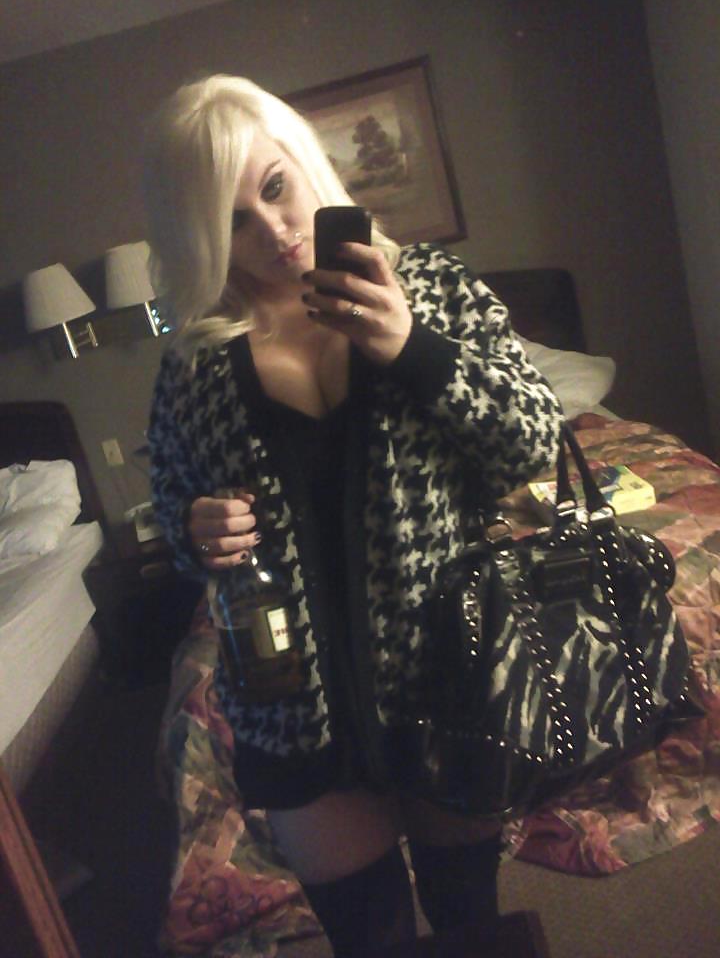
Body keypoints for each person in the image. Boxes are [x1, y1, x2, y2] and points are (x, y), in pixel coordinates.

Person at [145, 73, 563, 957]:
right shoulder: (194, 367)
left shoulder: (432, 288)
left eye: (276, 188)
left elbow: (533, 443)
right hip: (291, 705)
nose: (275, 231)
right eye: (234, 222)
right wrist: (195, 530)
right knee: (368, 937)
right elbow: (177, 510)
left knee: (469, 915)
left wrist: (411, 346)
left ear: (304, 162)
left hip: (444, 673)